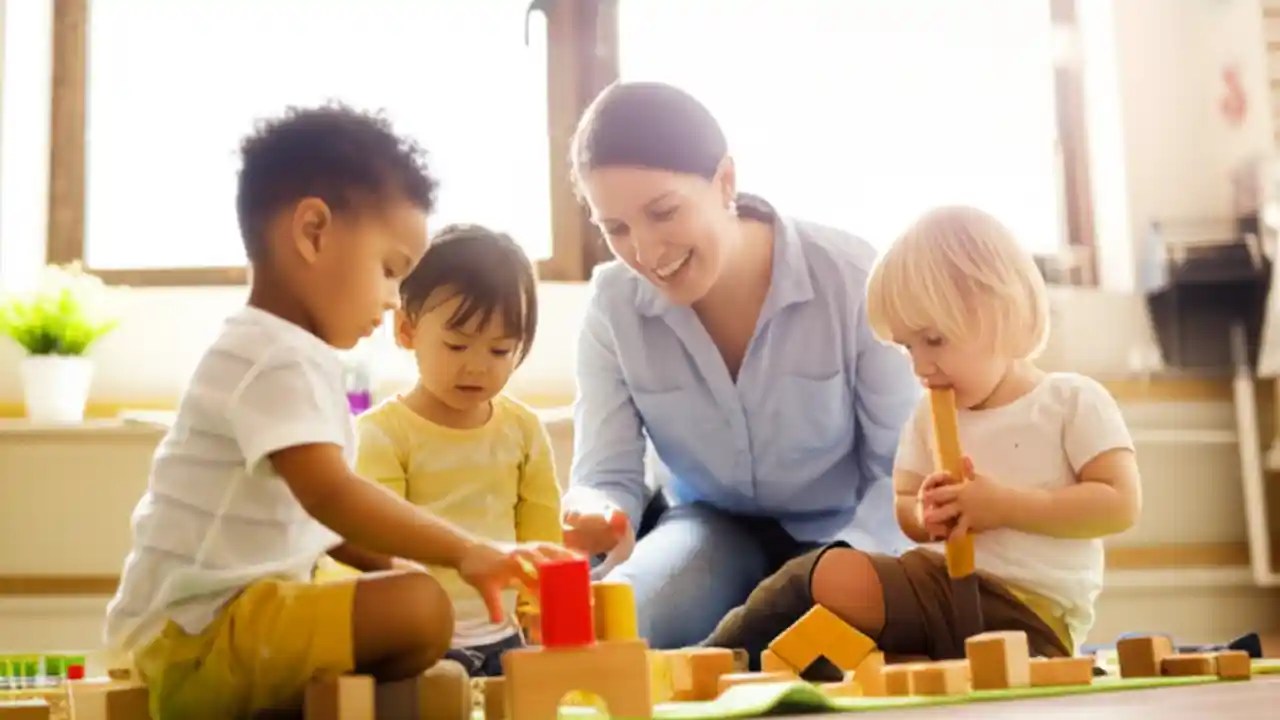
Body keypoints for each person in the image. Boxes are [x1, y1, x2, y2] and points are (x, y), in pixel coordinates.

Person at [102, 105, 573, 718]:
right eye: (388, 270)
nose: (390, 298)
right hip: (196, 636)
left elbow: (325, 522)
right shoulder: (273, 355)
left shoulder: (292, 356)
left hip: (227, 623)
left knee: (409, 600)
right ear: (314, 232)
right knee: (420, 610)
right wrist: (463, 550)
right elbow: (332, 496)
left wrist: (397, 566)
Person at [559, 80, 921, 650]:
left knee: (822, 641)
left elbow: (901, 474)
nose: (646, 253)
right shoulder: (612, 306)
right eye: (617, 229)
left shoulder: (851, 278)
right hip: (706, 532)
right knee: (622, 613)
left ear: (725, 181)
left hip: (846, 537)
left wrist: (839, 572)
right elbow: (605, 477)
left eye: (663, 212)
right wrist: (595, 513)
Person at [701, 205, 1142, 671]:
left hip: (1030, 615)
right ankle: (713, 665)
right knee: (837, 611)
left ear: (1001, 314)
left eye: (934, 340)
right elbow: (906, 502)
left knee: (826, 584)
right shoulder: (927, 415)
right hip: (938, 586)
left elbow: (1118, 504)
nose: (919, 365)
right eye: (907, 346)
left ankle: (707, 659)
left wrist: (1005, 505)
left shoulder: (1070, 400)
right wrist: (923, 512)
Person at [353, 224, 562, 677]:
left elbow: (544, 544)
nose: (476, 366)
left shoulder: (523, 430)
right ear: (407, 330)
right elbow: (379, 550)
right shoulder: (383, 435)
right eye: (456, 344)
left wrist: (546, 619)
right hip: (420, 644)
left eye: (500, 350)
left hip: (508, 639)